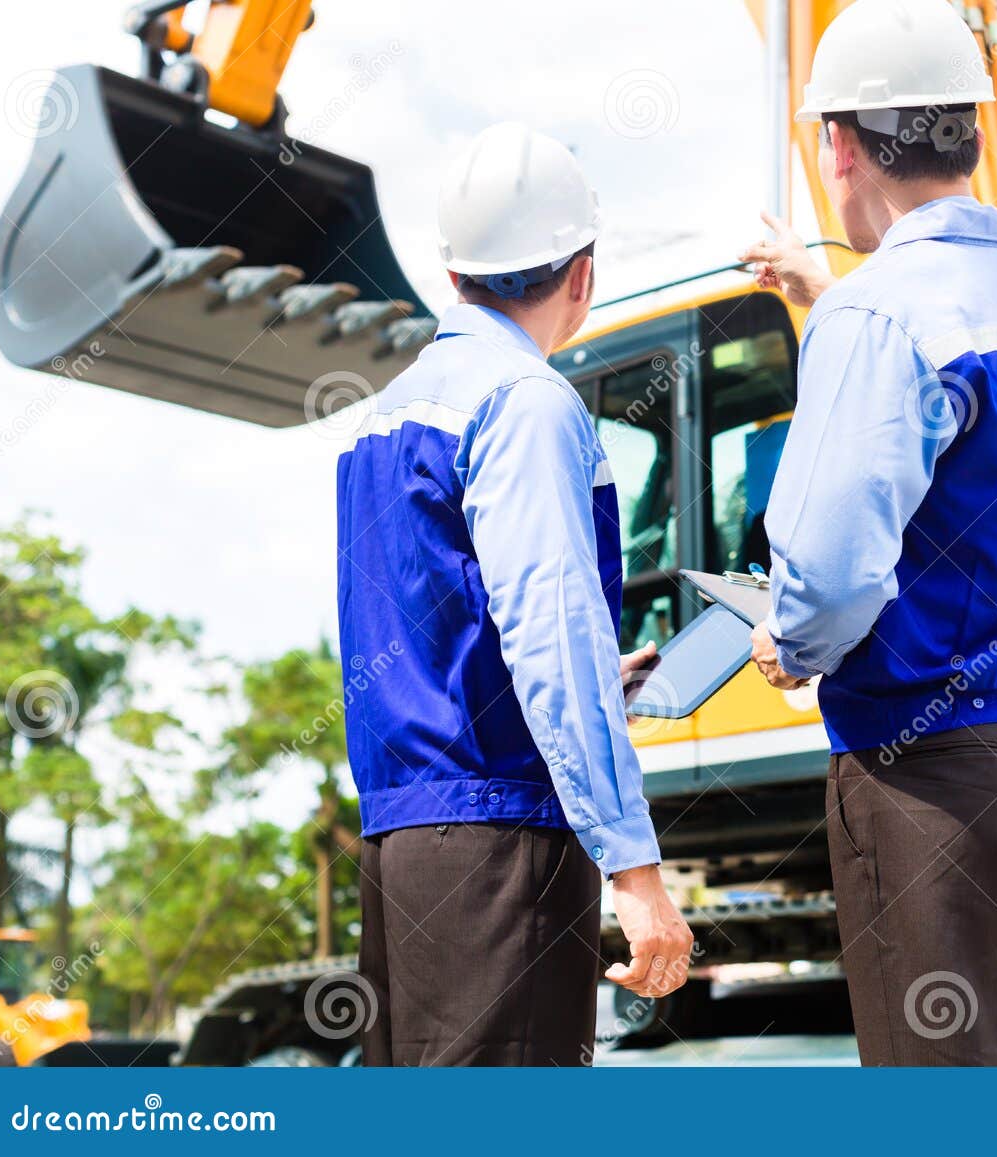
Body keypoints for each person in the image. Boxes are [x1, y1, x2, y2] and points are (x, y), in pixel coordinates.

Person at [739, 0, 997, 1066]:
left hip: (928, 774)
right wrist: (831, 291)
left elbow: (835, 559)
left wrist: (791, 639)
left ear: (839, 145)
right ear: (973, 134)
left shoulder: (879, 315)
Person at [337, 122, 692, 1066]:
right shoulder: (525, 402)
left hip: (404, 844)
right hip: (504, 844)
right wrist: (635, 869)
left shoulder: (382, 417)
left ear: (451, 273)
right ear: (583, 273)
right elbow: (552, 631)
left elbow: (440, 627)